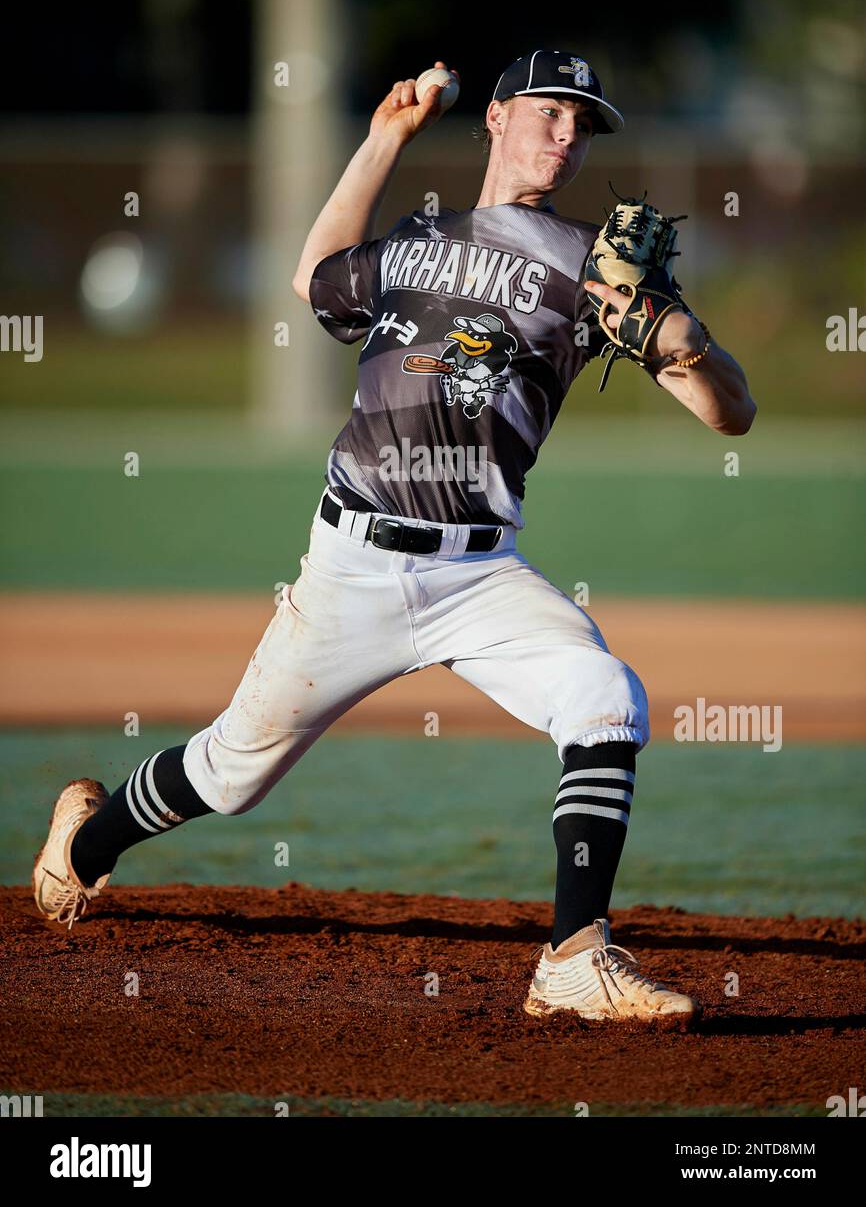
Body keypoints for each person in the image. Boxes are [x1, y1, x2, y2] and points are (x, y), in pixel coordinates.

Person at [34, 50, 755, 1023]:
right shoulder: (417, 241)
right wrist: (383, 136)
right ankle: (84, 843)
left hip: (480, 573)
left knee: (603, 695)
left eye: (583, 124)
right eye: (548, 111)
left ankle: (572, 956)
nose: (567, 135)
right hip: (353, 567)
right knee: (230, 772)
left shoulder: (594, 271)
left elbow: (729, 416)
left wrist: (689, 343)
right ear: (495, 119)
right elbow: (314, 280)